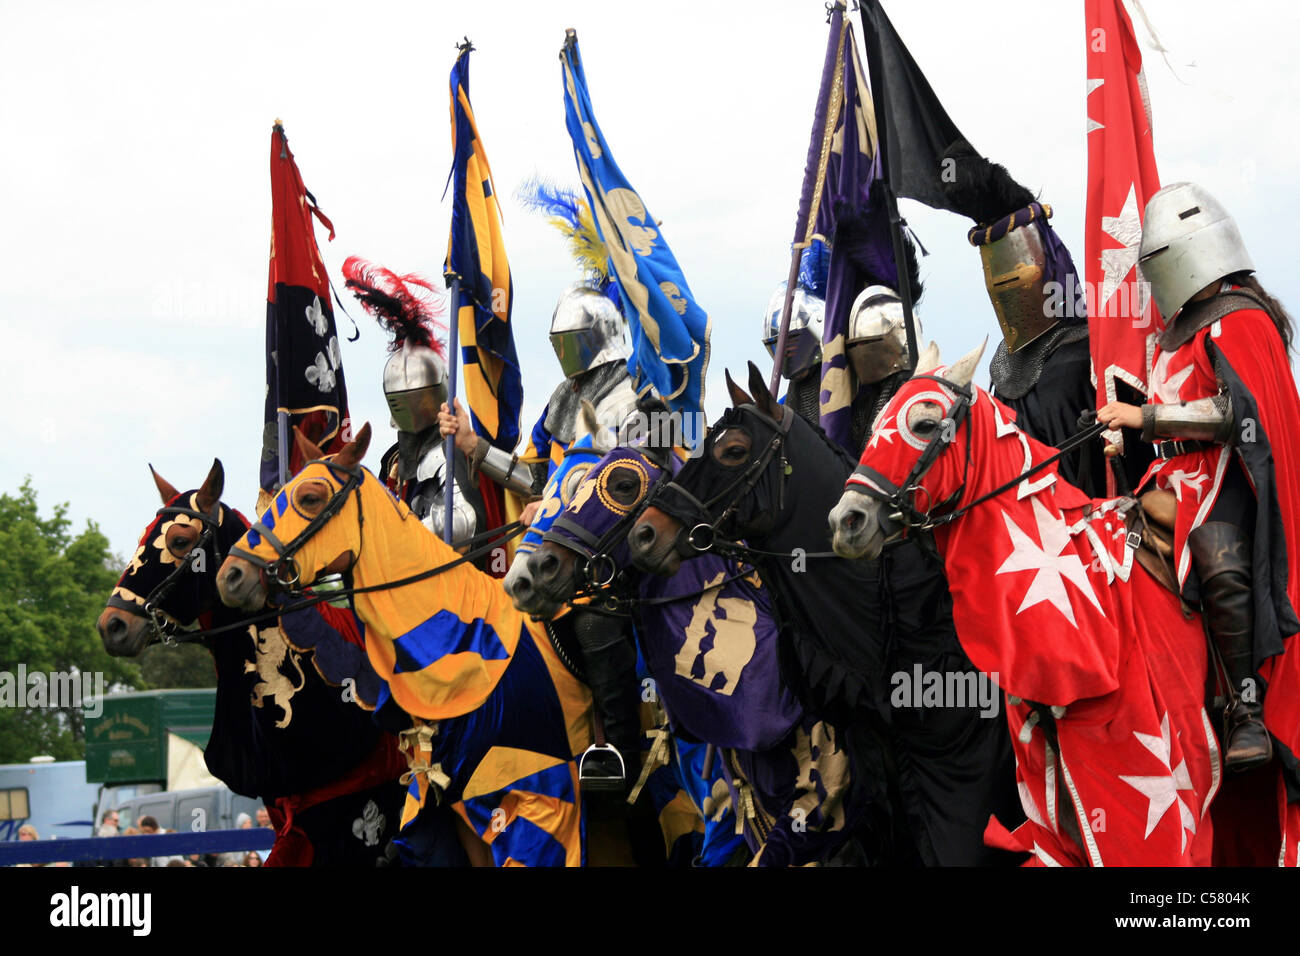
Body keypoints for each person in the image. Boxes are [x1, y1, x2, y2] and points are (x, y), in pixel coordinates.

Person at [1097, 182, 1300, 771]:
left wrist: (1147, 416)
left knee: (1218, 551)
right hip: (1173, 476)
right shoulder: (1178, 331)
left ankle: (1245, 708)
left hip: (1230, 472)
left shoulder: (1240, 318)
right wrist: (1129, 434)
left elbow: (1240, 415)